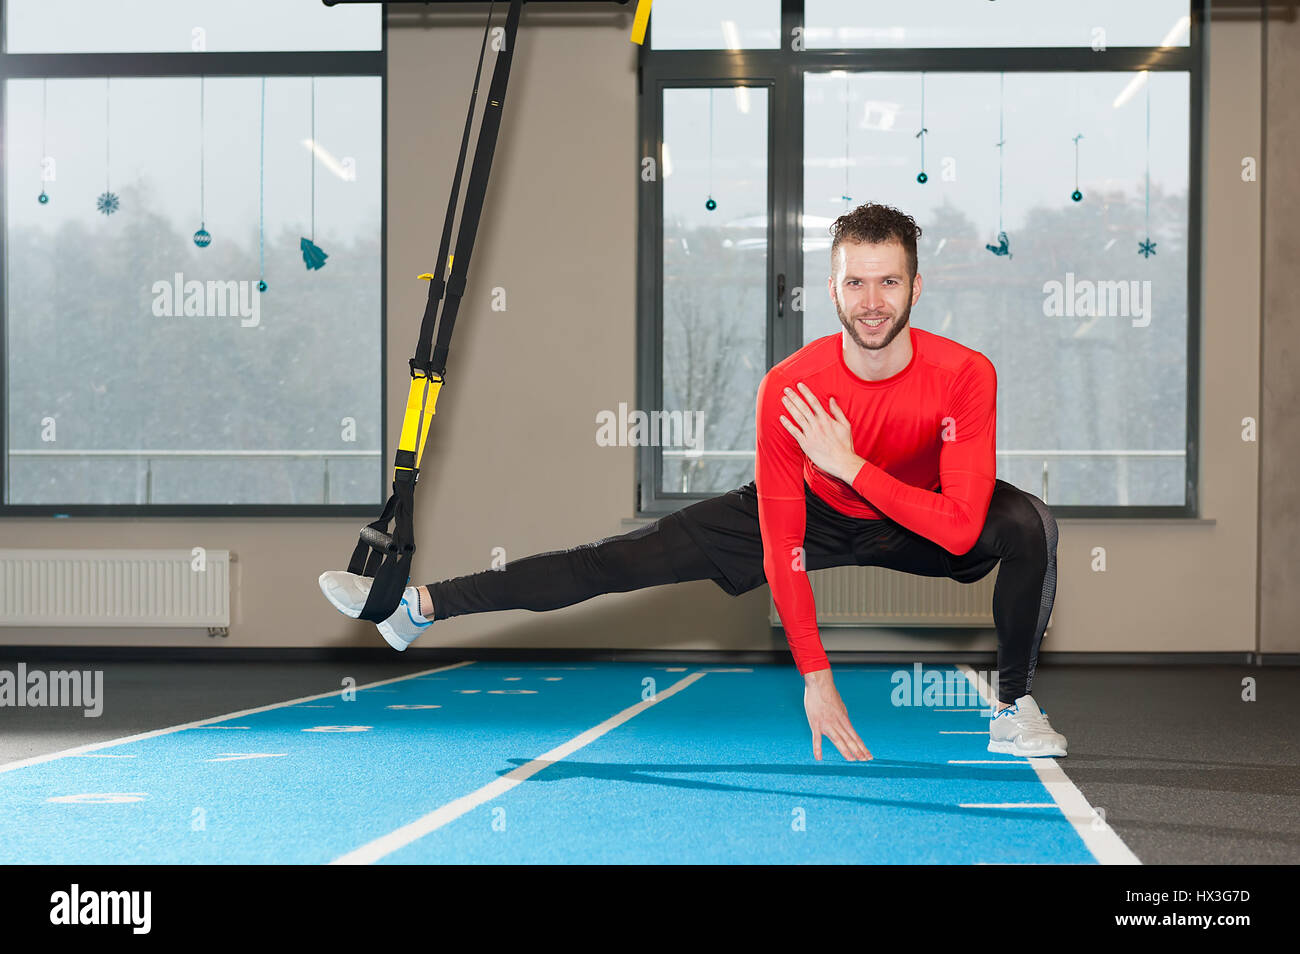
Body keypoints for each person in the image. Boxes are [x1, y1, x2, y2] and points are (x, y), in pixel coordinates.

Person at [320, 201, 1066, 762]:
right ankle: (421, 607)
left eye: (889, 281)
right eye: (856, 282)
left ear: (916, 286)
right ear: (832, 289)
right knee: (615, 561)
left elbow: (964, 528)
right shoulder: (788, 388)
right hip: (809, 510)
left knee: (1029, 523)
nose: (873, 301)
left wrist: (853, 466)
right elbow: (784, 549)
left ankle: (1013, 707)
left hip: (915, 511)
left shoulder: (965, 374)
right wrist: (815, 674)